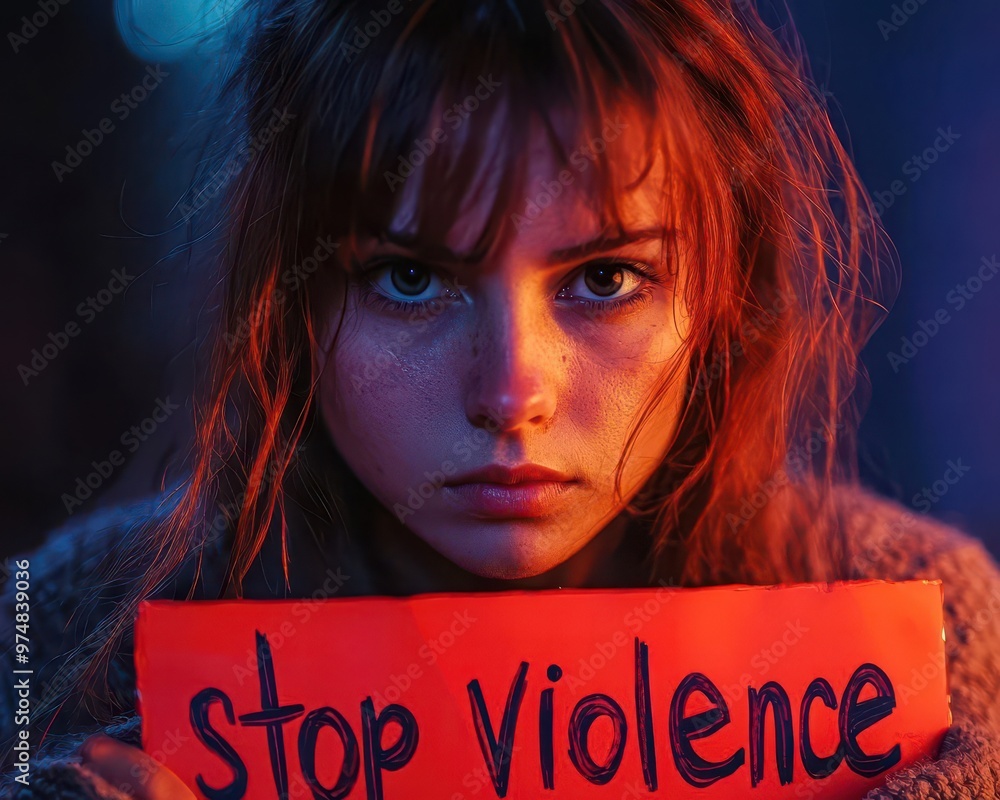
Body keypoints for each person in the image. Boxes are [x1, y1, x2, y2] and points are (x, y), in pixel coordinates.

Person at [3, 0, 999, 797]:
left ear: (719, 300)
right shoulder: (72, 620)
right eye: (407, 278)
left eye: (605, 279)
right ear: (289, 297)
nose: (510, 391)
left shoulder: (928, 616)